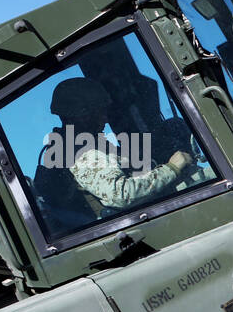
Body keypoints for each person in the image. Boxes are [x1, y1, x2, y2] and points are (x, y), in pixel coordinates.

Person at [42, 77, 195, 213]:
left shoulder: (82, 144)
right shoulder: (79, 152)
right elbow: (121, 194)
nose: (106, 119)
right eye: (100, 111)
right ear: (82, 114)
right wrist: (172, 168)